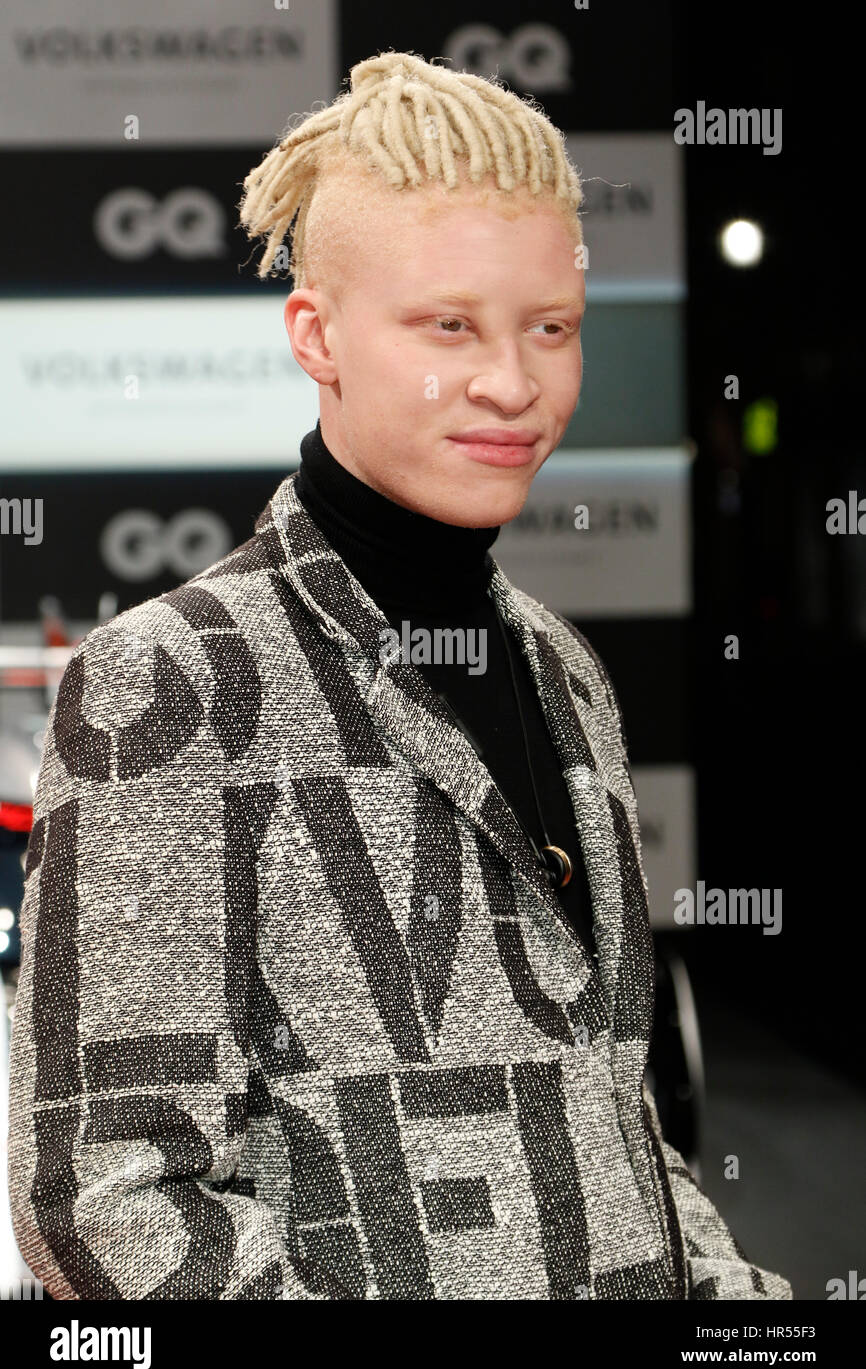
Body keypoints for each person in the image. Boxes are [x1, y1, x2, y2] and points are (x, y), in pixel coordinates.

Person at [7, 50, 792, 1301]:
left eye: (551, 328)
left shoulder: (563, 668)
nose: (513, 383)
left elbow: (615, 1111)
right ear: (315, 335)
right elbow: (107, 1202)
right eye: (448, 325)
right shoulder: (170, 683)